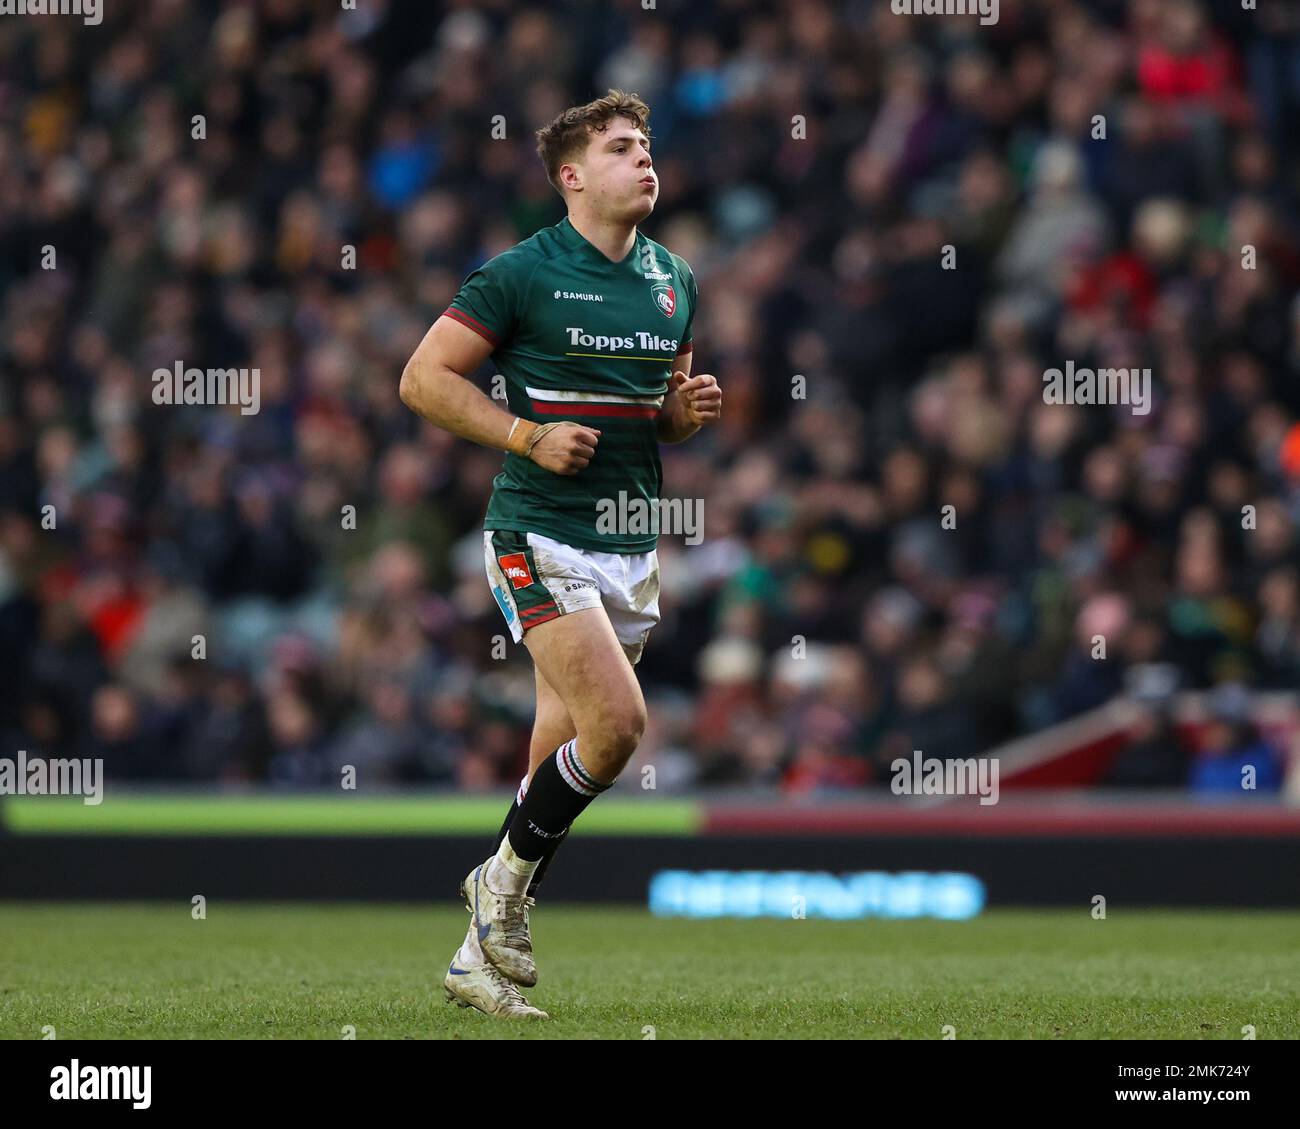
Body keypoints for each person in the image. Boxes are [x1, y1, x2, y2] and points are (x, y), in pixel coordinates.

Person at [399, 89, 722, 1018]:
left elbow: (654, 413)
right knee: (618, 727)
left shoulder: (675, 280)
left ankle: (476, 956)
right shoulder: (522, 274)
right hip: (538, 532)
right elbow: (423, 379)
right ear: (573, 177)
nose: (645, 160)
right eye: (623, 148)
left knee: (557, 762)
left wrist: (680, 416)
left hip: (630, 545)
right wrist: (524, 436)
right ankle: (494, 888)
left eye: (649, 146)